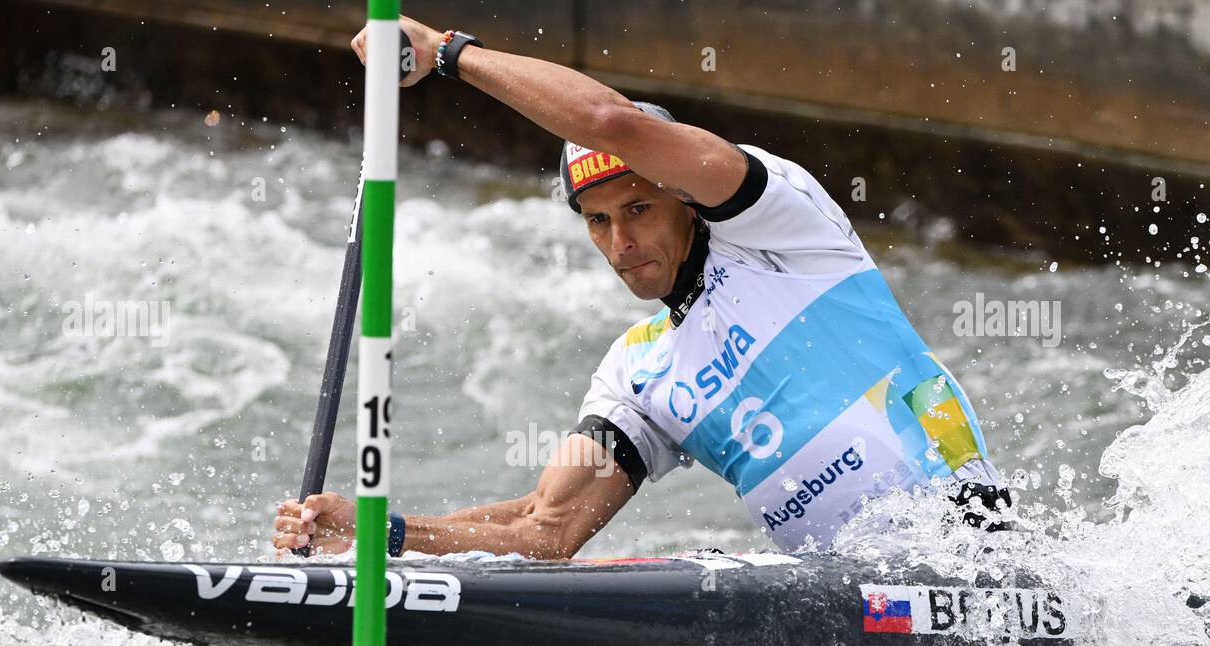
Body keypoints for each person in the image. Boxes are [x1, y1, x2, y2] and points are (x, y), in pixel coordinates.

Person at [273, 16, 1011, 559]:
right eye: (597, 221)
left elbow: (609, 122)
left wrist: (447, 53)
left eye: (638, 209)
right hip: (846, 604)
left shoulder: (782, 226)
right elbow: (544, 529)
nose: (620, 243)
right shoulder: (638, 372)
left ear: (683, 198)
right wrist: (381, 533)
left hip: (973, 549)